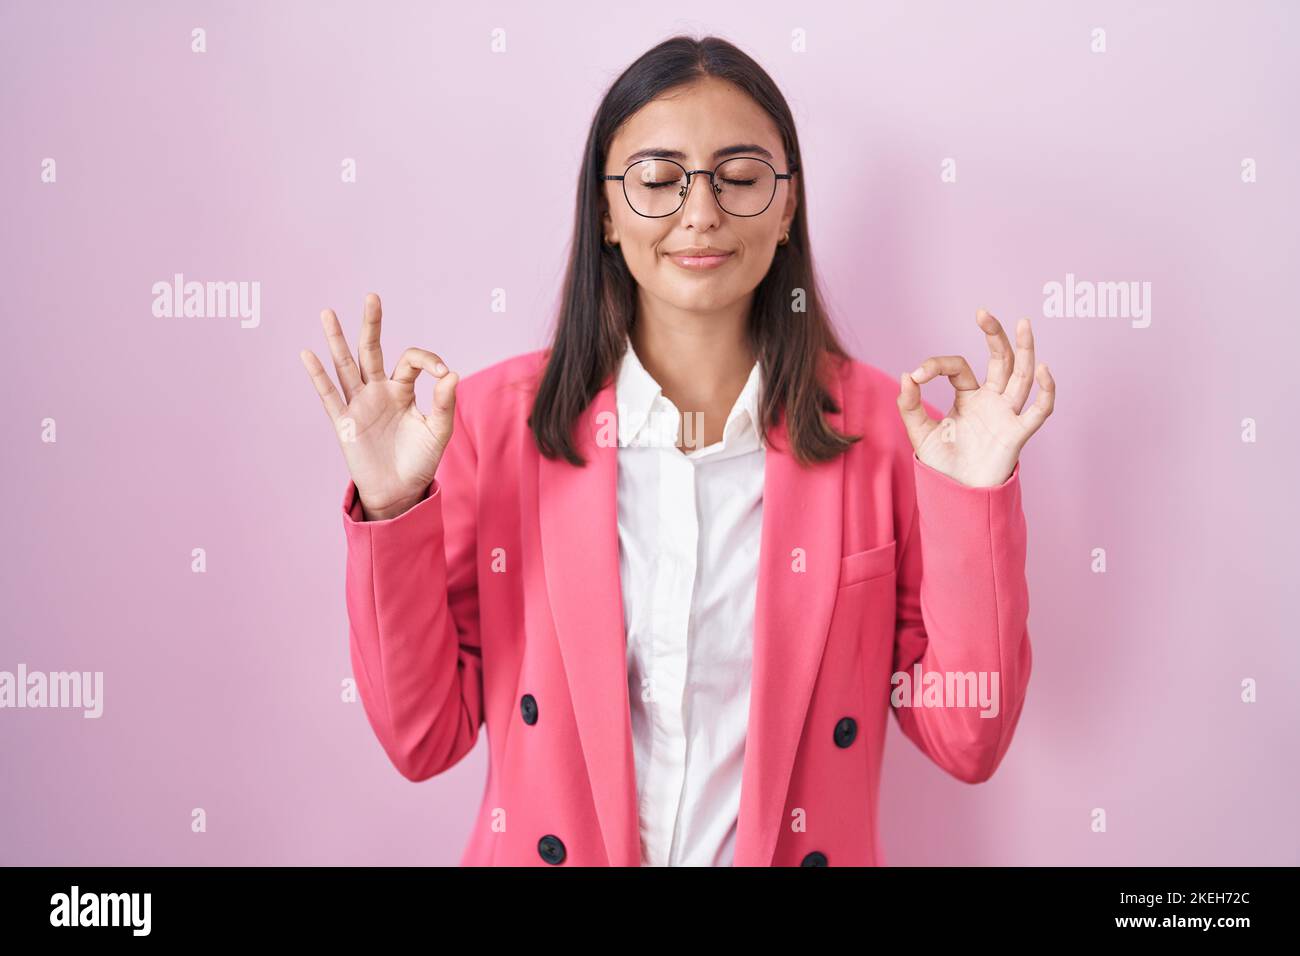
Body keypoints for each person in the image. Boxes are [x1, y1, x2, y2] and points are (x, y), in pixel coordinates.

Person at [300, 35, 1054, 867]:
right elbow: (422, 739)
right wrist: (390, 511)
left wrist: (974, 503)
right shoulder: (490, 421)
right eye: (658, 180)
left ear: (787, 205)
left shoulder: (889, 426)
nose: (701, 214)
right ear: (606, 212)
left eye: (739, 178)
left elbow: (966, 741)